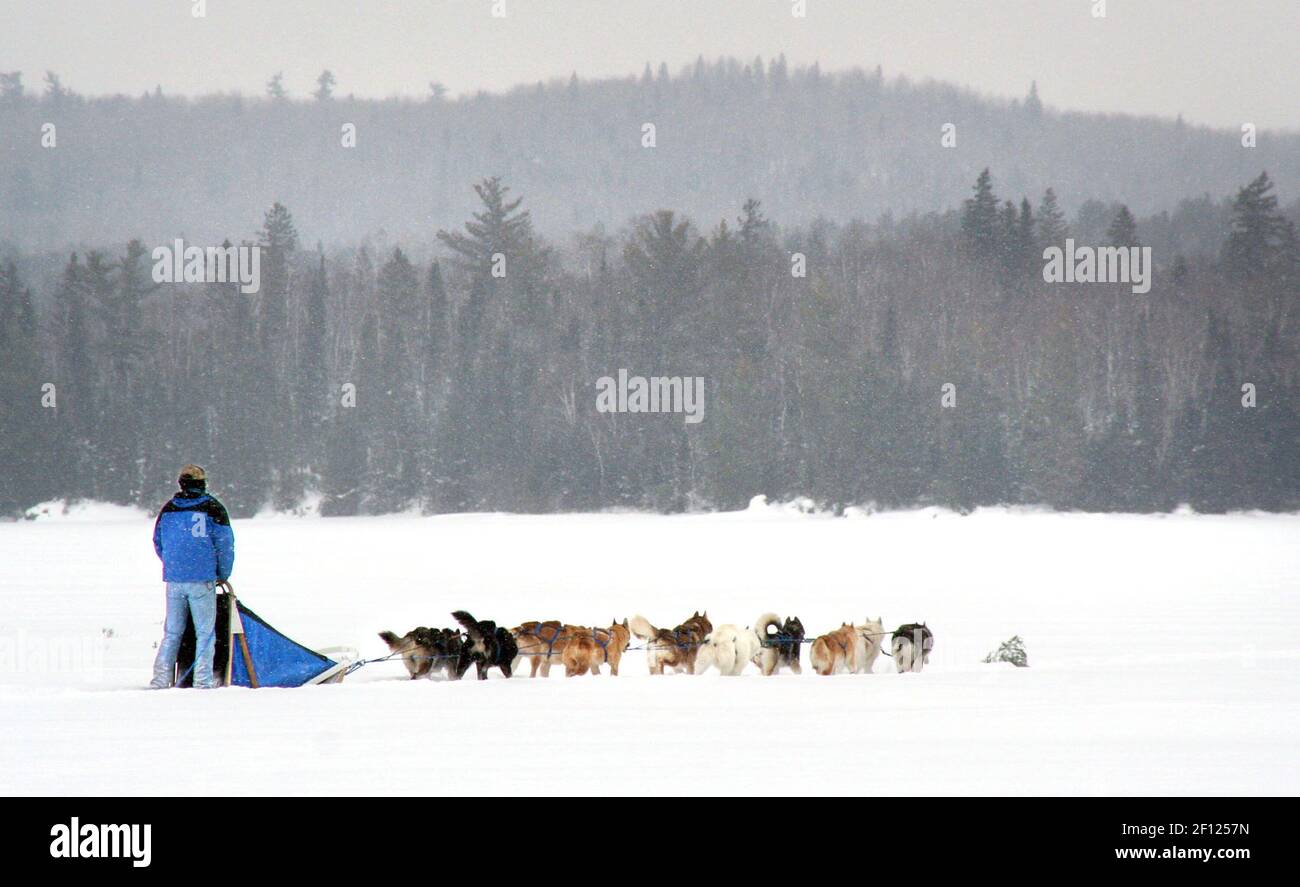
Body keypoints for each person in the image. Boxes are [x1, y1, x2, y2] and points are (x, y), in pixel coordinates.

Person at [150, 465, 235, 689]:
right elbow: (225, 545)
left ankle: (160, 679)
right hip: (202, 578)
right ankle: (202, 681)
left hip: (174, 579)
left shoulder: (168, 509)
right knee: (205, 633)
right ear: (202, 483)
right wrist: (222, 573)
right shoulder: (213, 508)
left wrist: (173, 565)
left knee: (172, 633)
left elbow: (158, 542)